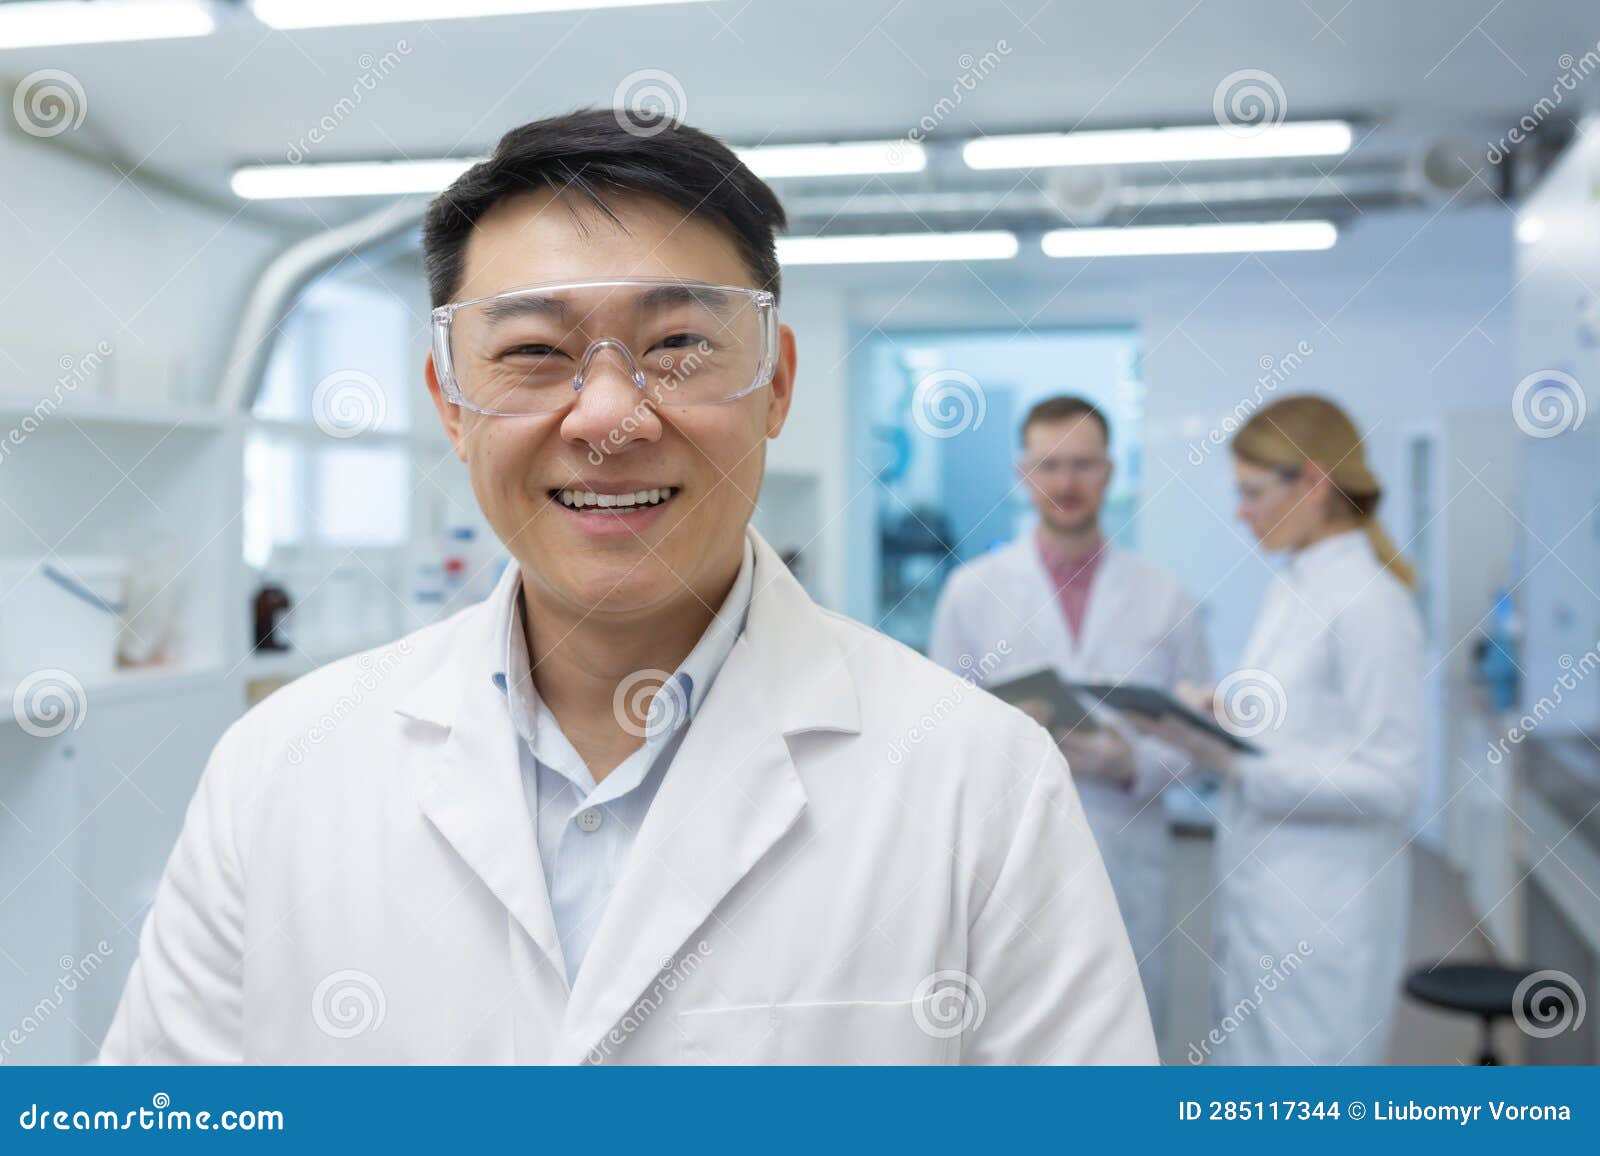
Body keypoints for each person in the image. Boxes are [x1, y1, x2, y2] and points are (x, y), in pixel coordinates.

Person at [98, 110, 1155, 1065]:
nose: (608, 415)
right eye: (531, 350)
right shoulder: (280, 769)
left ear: (775, 383)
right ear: (451, 401)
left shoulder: (982, 781)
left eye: (680, 345)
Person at [929, 396, 1211, 1037]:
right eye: (1050, 466)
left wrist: (1131, 763)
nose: (1066, 483)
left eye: (1084, 465)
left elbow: (1201, 739)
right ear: (1024, 473)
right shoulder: (973, 592)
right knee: (1018, 1040)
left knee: (1128, 1035)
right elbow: (939, 732)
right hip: (1010, 852)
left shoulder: (1164, 596)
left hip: (1125, 843)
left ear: (1110, 472)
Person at [1155, 394, 1423, 1065]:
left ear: (1313, 482)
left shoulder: (1373, 602)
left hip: (1325, 915)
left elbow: (1394, 782)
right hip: (1266, 900)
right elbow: (1308, 727)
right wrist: (1222, 716)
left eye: (1252, 491)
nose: (1241, 511)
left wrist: (1236, 762)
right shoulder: (1298, 583)